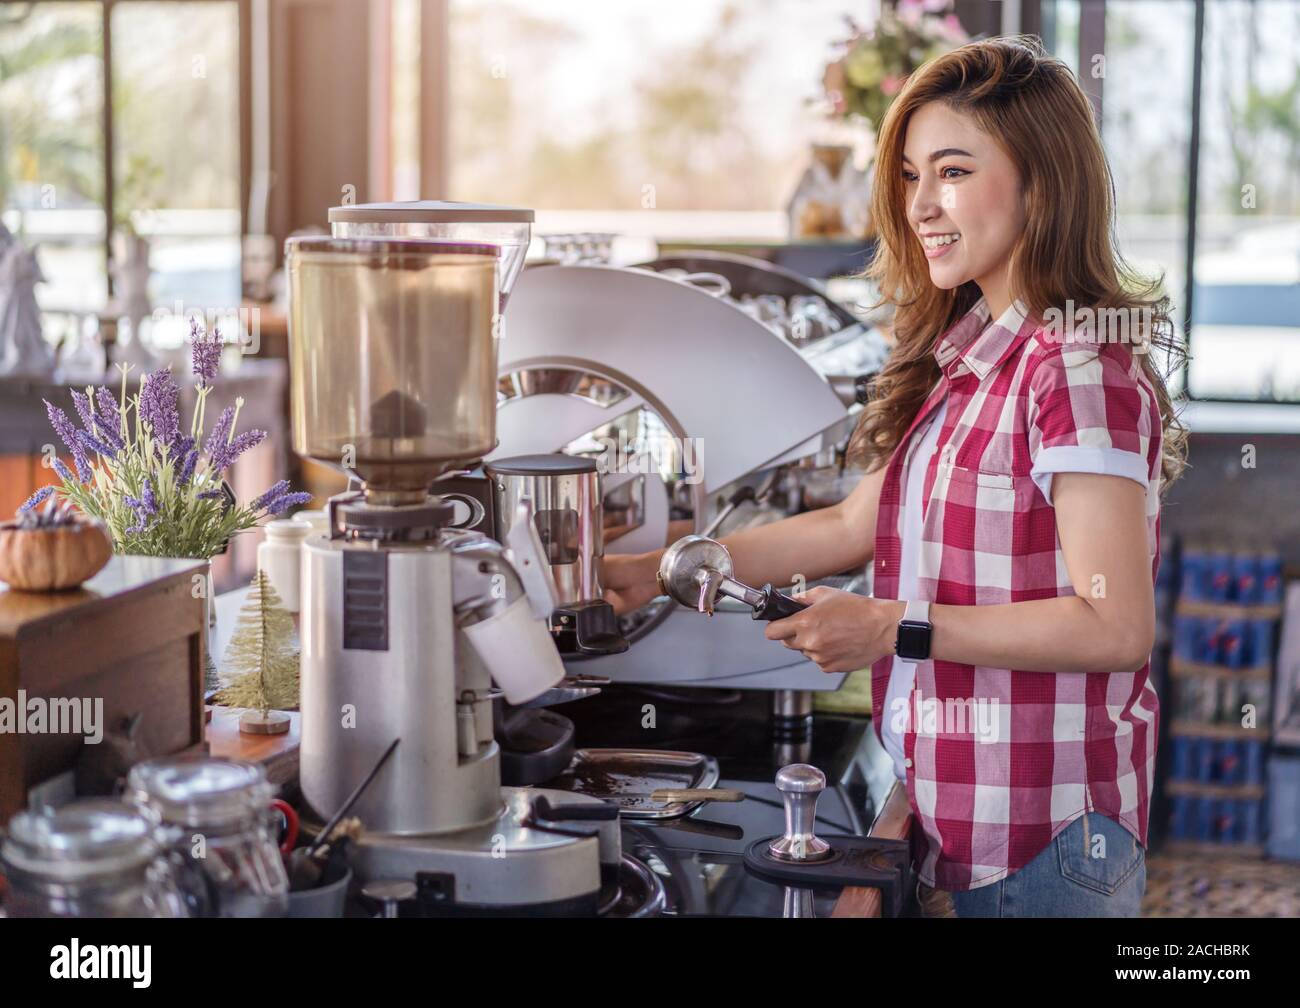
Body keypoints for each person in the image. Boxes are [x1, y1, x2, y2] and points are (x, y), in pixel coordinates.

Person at [602, 35, 1185, 918]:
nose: (919, 205)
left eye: (951, 170)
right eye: (911, 176)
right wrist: (651, 571)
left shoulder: (1074, 365)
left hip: (1049, 827)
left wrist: (888, 629)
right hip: (967, 799)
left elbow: (1114, 627)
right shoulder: (970, 354)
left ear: (1042, 178)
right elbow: (849, 529)